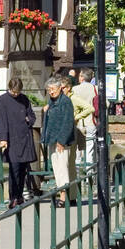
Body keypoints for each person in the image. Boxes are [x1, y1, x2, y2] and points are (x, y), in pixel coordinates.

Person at [0, 76, 38, 208]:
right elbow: (1, 120)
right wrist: (3, 138)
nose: (16, 94)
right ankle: (13, 197)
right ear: (10, 88)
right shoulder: (2, 100)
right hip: (12, 138)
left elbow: (32, 116)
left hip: (24, 137)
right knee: (14, 170)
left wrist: (28, 120)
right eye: (14, 92)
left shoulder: (24, 99)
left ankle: (19, 196)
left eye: (18, 92)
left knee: (23, 169)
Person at [41, 74, 77, 206]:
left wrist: (61, 141)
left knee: (61, 169)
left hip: (61, 141)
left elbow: (68, 122)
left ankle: (63, 198)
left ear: (60, 88)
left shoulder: (65, 101)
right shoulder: (52, 100)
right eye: (49, 89)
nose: (50, 91)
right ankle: (71, 197)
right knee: (64, 168)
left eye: (53, 89)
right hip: (53, 139)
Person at [72, 67, 99, 171]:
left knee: (77, 149)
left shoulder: (74, 89)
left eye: (79, 75)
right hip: (91, 121)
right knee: (90, 148)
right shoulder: (96, 88)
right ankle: (89, 174)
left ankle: (77, 172)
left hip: (78, 122)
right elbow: (106, 103)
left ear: (82, 77)